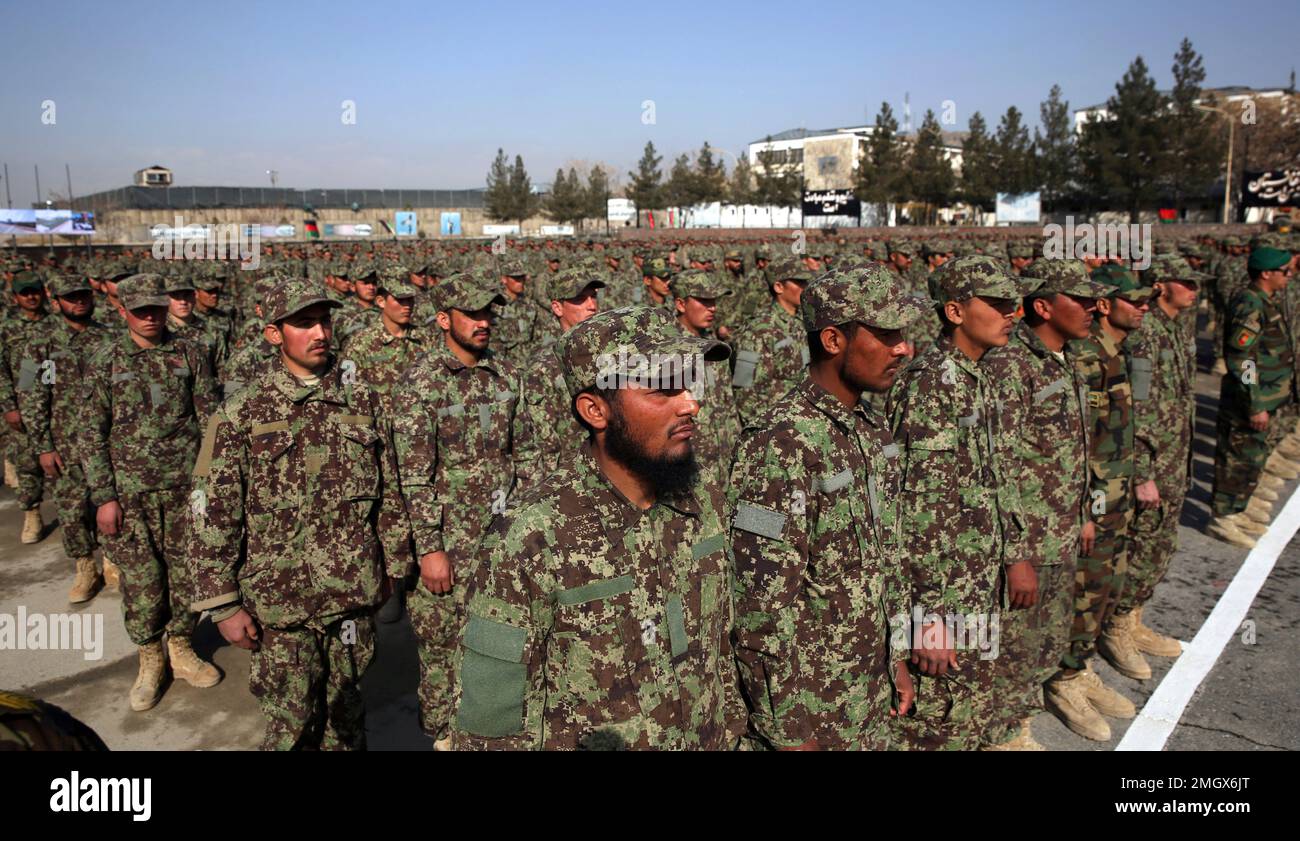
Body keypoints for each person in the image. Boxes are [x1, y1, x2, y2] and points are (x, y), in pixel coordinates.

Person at [452, 306, 745, 750]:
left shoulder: (702, 504)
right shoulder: (531, 537)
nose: (690, 404)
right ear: (595, 410)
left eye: (689, 382)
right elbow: (490, 721)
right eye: (663, 387)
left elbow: (724, 654)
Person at [189, 278, 412, 750]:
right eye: (304, 323)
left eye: (324, 321)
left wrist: (392, 564)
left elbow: (389, 489)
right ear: (274, 334)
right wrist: (223, 603)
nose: (320, 333)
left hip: (352, 593)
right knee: (291, 727)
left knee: (348, 719)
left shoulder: (363, 399)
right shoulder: (239, 413)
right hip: (282, 605)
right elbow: (212, 511)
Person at [729, 266, 922, 750]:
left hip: (865, 689)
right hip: (812, 711)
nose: (903, 348)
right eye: (886, 334)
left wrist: (894, 657)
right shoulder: (782, 444)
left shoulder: (869, 428)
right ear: (834, 340)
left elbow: (881, 561)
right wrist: (791, 732)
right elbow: (759, 611)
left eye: (902, 334)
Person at [887, 255, 1039, 751]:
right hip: (947, 596)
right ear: (955, 312)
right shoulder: (932, 383)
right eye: (996, 304)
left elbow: (995, 478)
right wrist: (928, 617)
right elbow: (920, 512)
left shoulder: (977, 375)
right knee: (935, 725)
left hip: (976, 582)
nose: (1010, 314)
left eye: (1012, 304)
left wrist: (1015, 553)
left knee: (967, 714)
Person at [391, 272, 523, 750]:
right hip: (450, 544)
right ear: (444, 319)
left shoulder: (507, 375)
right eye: (472, 313)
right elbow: (413, 476)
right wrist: (429, 548)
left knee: (502, 645)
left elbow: (525, 455)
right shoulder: (420, 384)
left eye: (488, 312)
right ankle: (444, 738)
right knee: (444, 651)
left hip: (502, 538)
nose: (483, 321)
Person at [82, 273, 222, 712]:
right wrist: (104, 496)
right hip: (129, 494)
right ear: (122, 310)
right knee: (142, 580)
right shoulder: (104, 358)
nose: (149, 317)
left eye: (156, 309)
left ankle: (180, 646)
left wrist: (211, 483)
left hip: (184, 489)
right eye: (140, 310)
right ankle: (149, 656)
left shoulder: (189, 353)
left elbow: (209, 420)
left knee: (185, 573)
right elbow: (91, 431)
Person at [982, 260, 1104, 750]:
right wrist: (1016, 555)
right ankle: (1001, 734)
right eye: (1083, 299)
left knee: (1043, 640)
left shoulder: (1062, 358)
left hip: (1059, 530)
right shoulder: (1011, 366)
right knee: (1012, 646)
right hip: (1027, 540)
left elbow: (1069, 449)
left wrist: (1082, 514)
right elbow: (998, 464)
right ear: (1043, 306)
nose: (1097, 308)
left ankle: (1020, 720)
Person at [1043, 265, 1150, 741]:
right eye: (1081, 300)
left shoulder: (1112, 352)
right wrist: (1085, 505)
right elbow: (1074, 443)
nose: (1088, 308)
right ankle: (1063, 678)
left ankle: (1079, 664)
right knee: (1085, 589)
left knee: (1106, 581)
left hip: (1115, 490)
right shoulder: (1083, 360)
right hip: (1095, 496)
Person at [1098, 255, 1203, 675]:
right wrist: (1142, 473)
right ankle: (1118, 626)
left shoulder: (1173, 329)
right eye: (1187, 282)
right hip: (1153, 459)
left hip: (1174, 453)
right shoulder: (1145, 338)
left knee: (1160, 544)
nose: (1195, 291)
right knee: (1142, 546)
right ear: (1163, 285)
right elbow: (1135, 408)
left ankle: (1134, 617)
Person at [16, 271, 111, 601]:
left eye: (84, 294)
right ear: (56, 302)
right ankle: (85, 566)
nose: (80, 300)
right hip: (64, 441)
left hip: (107, 438)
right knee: (71, 509)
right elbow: (30, 394)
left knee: (112, 500)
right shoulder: (39, 342)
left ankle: (114, 559)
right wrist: (43, 446)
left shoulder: (109, 337)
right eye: (71, 297)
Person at [1208, 246, 1296, 547]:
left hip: (1265, 397)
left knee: (1253, 456)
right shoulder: (1249, 304)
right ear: (1266, 273)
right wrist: (1256, 403)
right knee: (1237, 458)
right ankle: (1223, 517)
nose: (1290, 275)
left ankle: (1239, 507)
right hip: (1247, 400)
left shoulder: (1264, 300)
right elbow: (1241, 359)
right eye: (1285, 271)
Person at [516, 266, 605, 484]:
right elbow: (542, 443)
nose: (592, 306)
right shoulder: (544, 367)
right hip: (571, 482)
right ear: (557, 307)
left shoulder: (610, 356)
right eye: (580, 299)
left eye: (593, 297)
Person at [668, 270, 740, 489]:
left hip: (726, 460)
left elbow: (728, 403)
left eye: (713, 301)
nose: (712, 308)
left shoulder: (715, 346)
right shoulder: (669, 350)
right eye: (703, 301)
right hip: (691, 465)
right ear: (681, 304)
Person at [729, 259, 812, 428]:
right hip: (775, 426)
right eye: (798, 282)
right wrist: (764, 432)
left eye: (805, 281)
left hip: (802, 420)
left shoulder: (800, 323)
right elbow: (746, 390)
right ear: (778, 287)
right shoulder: (759, 329)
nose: (805, 287)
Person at [1, 270, 50, 544]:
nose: (31, 297)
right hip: (21, 402)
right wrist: (9, 405)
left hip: (55, 403)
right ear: (15, 296)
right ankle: (31, 512)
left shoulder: (54, 325)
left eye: (35, 291)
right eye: (25, 292)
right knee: (28, 462)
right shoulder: (7, 328)